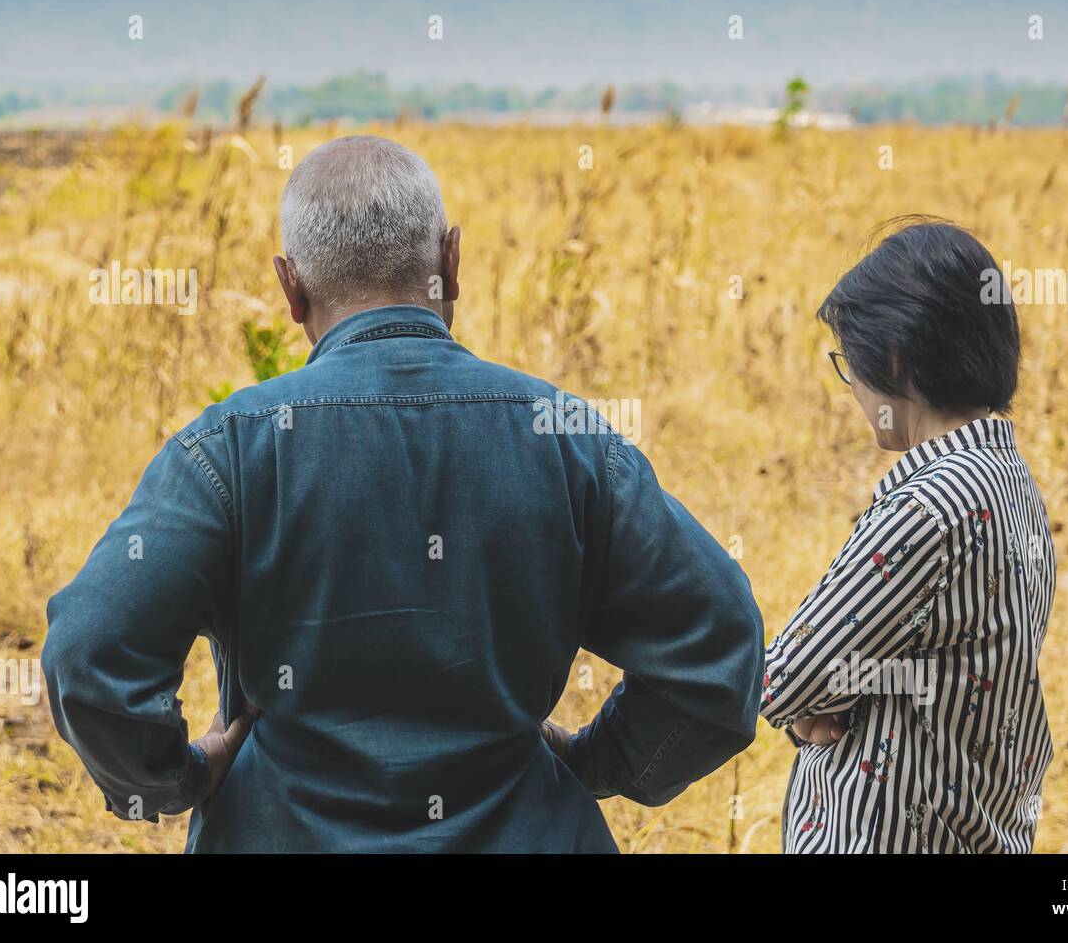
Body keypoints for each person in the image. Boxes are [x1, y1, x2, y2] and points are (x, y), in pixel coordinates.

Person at [42, 135, 764, 853]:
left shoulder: (231, 449)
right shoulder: (566, 437)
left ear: (290, 288)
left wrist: (175, 777)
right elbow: (718, 646)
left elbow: (91, 652)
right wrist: (594, 762)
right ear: (450, 264)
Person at [761, 219, 1055, 852]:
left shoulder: (929, 503)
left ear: (895, 359)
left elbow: (784, 677)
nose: (855, 391)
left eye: (852, 366)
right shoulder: (1013, 484)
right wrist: (834, 687)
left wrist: (814, 695)